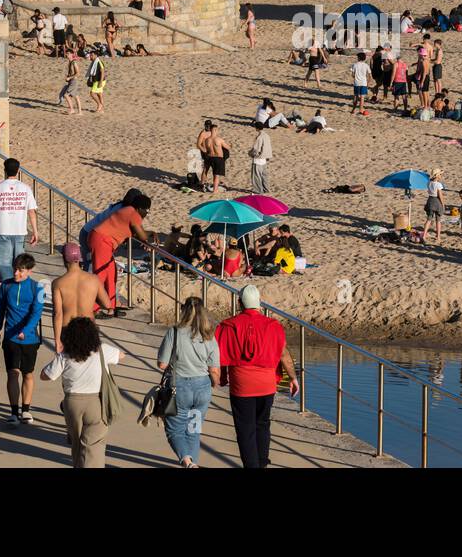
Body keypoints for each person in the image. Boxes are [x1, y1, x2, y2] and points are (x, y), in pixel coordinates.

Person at [216, 286, 299, 469]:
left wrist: (220, 378)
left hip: (241, 385)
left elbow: (218, 355)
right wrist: (293, 378)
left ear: (239, 303)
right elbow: (284, 354)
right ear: (259, 304)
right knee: (262, 424)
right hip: (266, 385)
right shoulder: (273, 326)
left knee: (245, 429)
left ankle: (252, 465)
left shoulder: (227, 325)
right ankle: (262, 464)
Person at [40, 317, 121, 468]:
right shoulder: (101, 350)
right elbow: (121, 355)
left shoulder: (65, 356)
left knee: (76, 445)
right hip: (96, 402)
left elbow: (45, 375)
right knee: (94, 446)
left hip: (72, 403)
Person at [157, 296, 221, 467]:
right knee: (194, 430)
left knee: (174, 429)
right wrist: (213, 384)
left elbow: (162, 364)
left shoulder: (175, 332)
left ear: (183, 310)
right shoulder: (209, 336)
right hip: (202, 388)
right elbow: (214, 370)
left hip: (179, 387)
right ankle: (193, 463)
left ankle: (186, 460)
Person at [79, 190, 153, 318]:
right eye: (147, 211)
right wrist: (148, 239)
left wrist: (151, 234)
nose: (147, 214)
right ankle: (91, 308)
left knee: (111, 274)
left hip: (101, 240)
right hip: (101, 241)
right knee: (100, 275)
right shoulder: (133, 214)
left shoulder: (127, 210)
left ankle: (110, 307)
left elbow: (136, 232)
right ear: (140, 208)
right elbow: (141, 235)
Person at [0, 253, 45, 425]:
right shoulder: (6, 286)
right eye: (15, 269)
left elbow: (37, 312)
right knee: (12, 373)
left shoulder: (37, 288)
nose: (16, 273)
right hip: (10, 338)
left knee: (28, 374)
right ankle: (14, 412)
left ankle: (26, 410)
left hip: (30, 339)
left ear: (30, 271)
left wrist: (26, 330)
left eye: (21, 270)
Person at [0, 157, 39, 285]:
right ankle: (17, 289)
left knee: (4, 265)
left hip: (3, 230)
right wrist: (35, 232)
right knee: (19, 266)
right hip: (19, 232)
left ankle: (7, 289)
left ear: (5, 170)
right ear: (18, 170)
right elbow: (31, 211)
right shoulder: (25, 188)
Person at [51, 243, 111, 350]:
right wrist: (92, 298)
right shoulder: (93, 279)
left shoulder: (58, 283)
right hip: (88, 327)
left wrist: (57, 340)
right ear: (79, 258)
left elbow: (58, 313)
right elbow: (107, 304)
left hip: (67, 328)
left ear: (64, 259)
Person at [418, 169, 445, 244]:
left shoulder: (429, 183)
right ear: (437, 176)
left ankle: (424, 235)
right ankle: (438, 236)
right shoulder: (438, 184)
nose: (441, 176)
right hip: (437, 201)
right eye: (440, 174)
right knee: (438, 220)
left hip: (430, 200)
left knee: (429, 219)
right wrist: (443, 204)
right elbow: (440, 195)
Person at [249, 125, 272, 194]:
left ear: (256, 128)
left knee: (256, 176)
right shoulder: (267, 135)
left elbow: (256, 149)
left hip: (258, 159)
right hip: (264, 159)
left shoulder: (259, 137)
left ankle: (258, 190)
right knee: (264, 175)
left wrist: (250, 153)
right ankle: (266, 189)